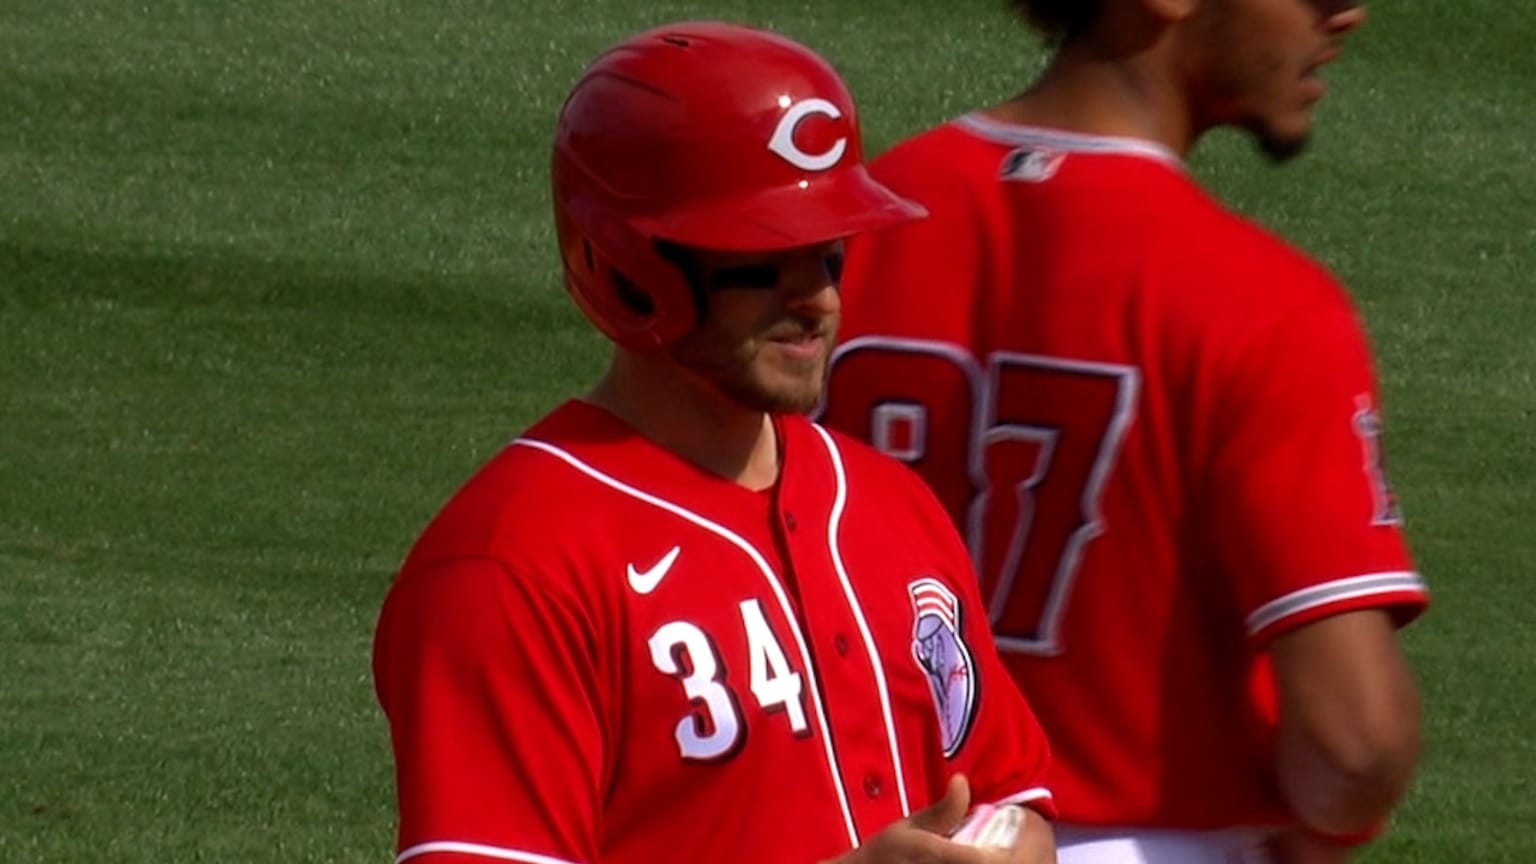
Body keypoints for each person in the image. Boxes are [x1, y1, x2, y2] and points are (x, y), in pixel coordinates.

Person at [371, 21, 1060, 864]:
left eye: (830, 252)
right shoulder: (511, 567)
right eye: (765, 259)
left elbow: (1010, 795)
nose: (817, 299)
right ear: (630, 262)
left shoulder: (889, 506)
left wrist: (1016, 842)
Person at [818, 1, 1429, 862]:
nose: (1346, 11)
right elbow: (1352, 748)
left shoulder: (844, 240)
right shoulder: (1262, 305)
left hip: (862, 838)